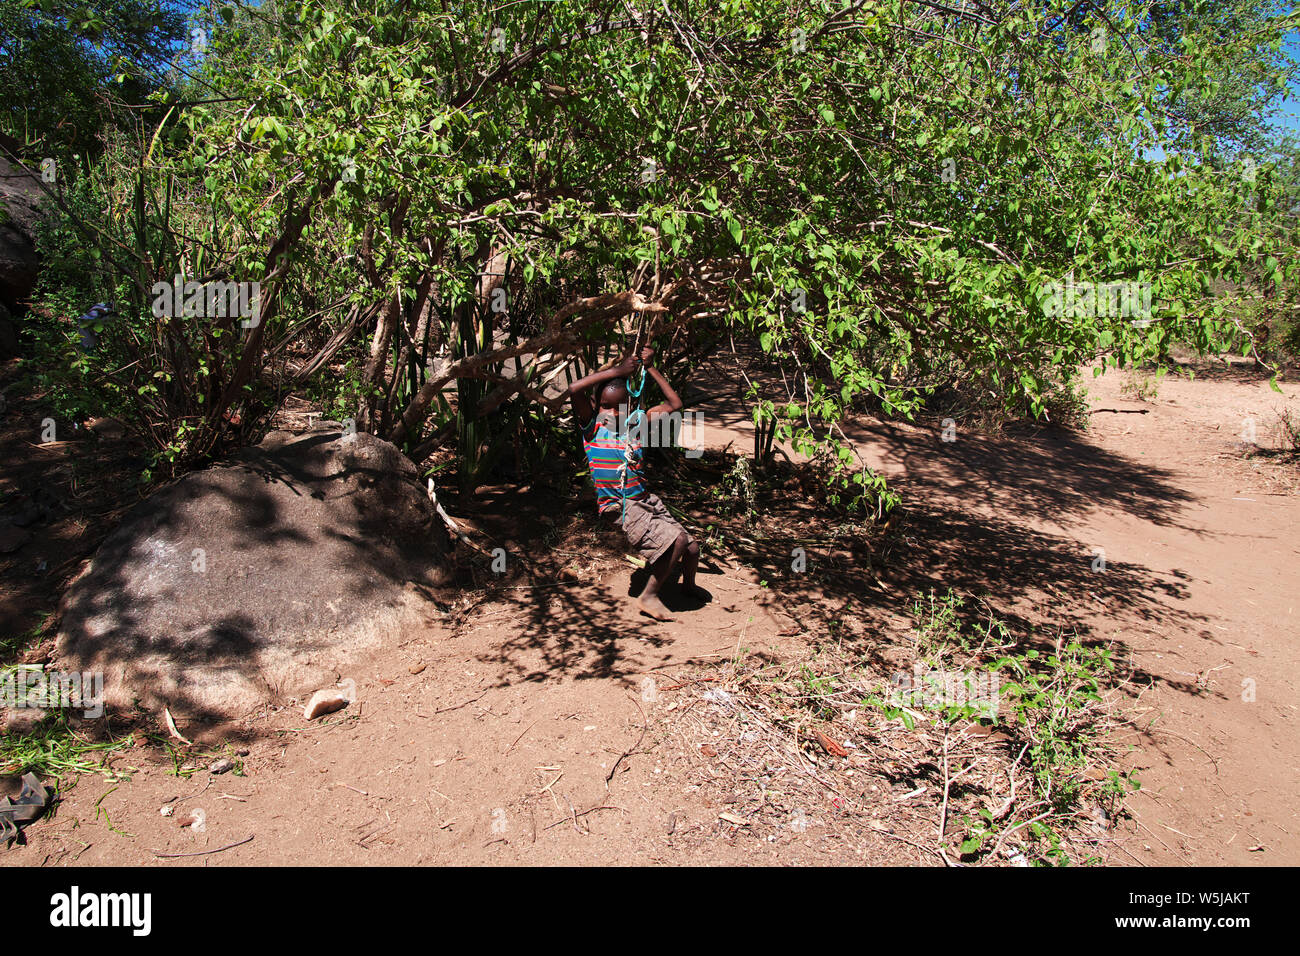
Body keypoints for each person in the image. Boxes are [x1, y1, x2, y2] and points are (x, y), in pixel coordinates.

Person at [567, 346, 705, 621]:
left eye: (619, 408)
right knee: (675, 541)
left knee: (691, 548)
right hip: (619, 506)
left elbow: (675, 405)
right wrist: (618, 371)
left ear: (629, 407)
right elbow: (573, 389)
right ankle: (649, 596)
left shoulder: (635, 425)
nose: (612, 414)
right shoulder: (592, 427)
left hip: (645, 501)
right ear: (596, 406)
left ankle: (687, 588)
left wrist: (650, 367)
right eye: (606, 406)